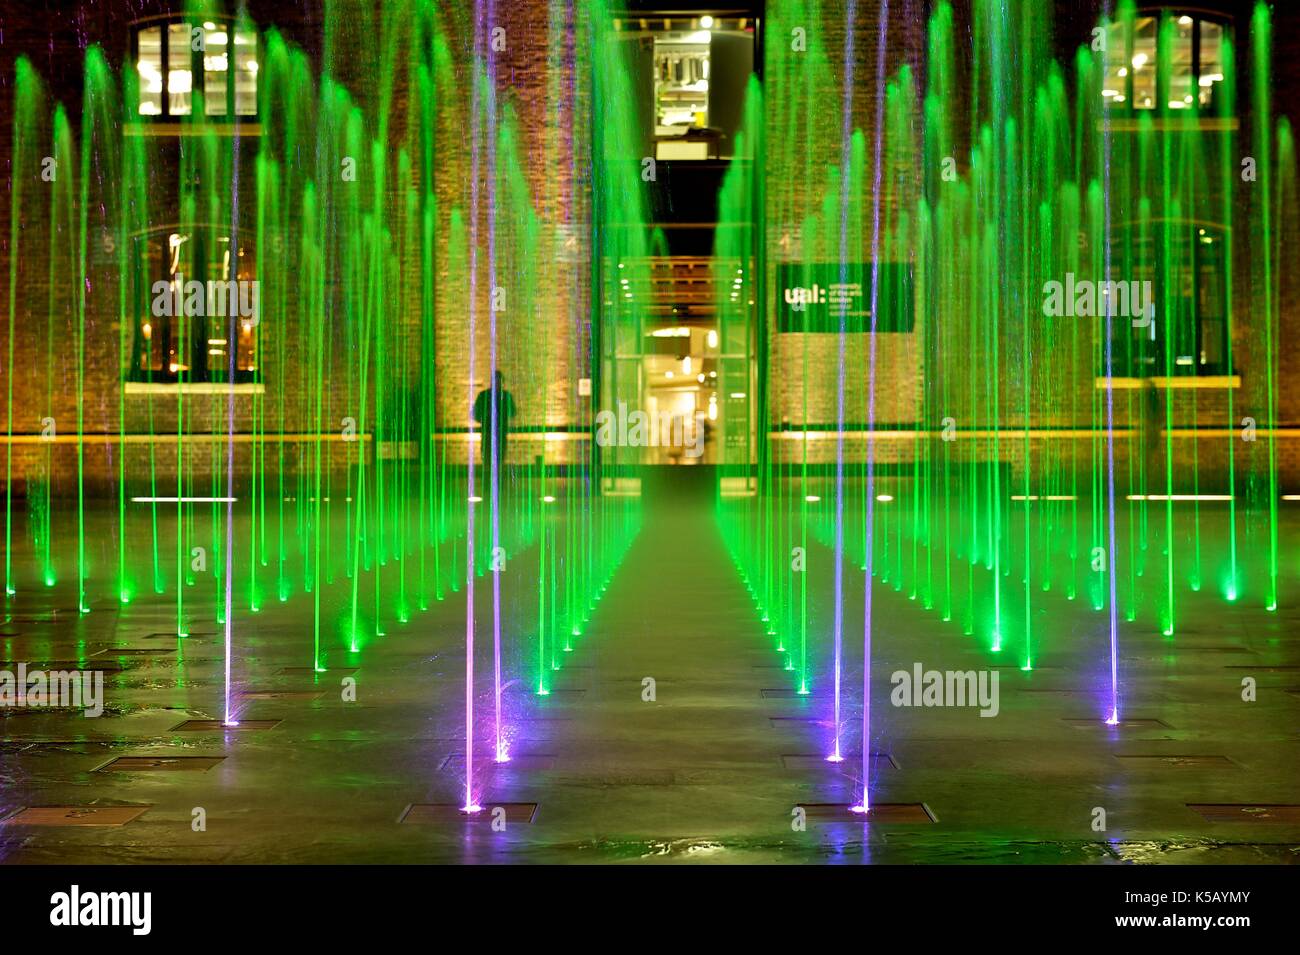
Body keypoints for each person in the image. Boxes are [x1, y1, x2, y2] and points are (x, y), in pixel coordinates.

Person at [472, 370, 516, 472]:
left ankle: (489, 486)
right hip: (496, 435)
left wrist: (485, 418)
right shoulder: (505, 396)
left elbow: (475, 414)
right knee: (495, 464)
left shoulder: (484, 396)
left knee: (489, 464)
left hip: (489, 435)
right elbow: (513, 412)